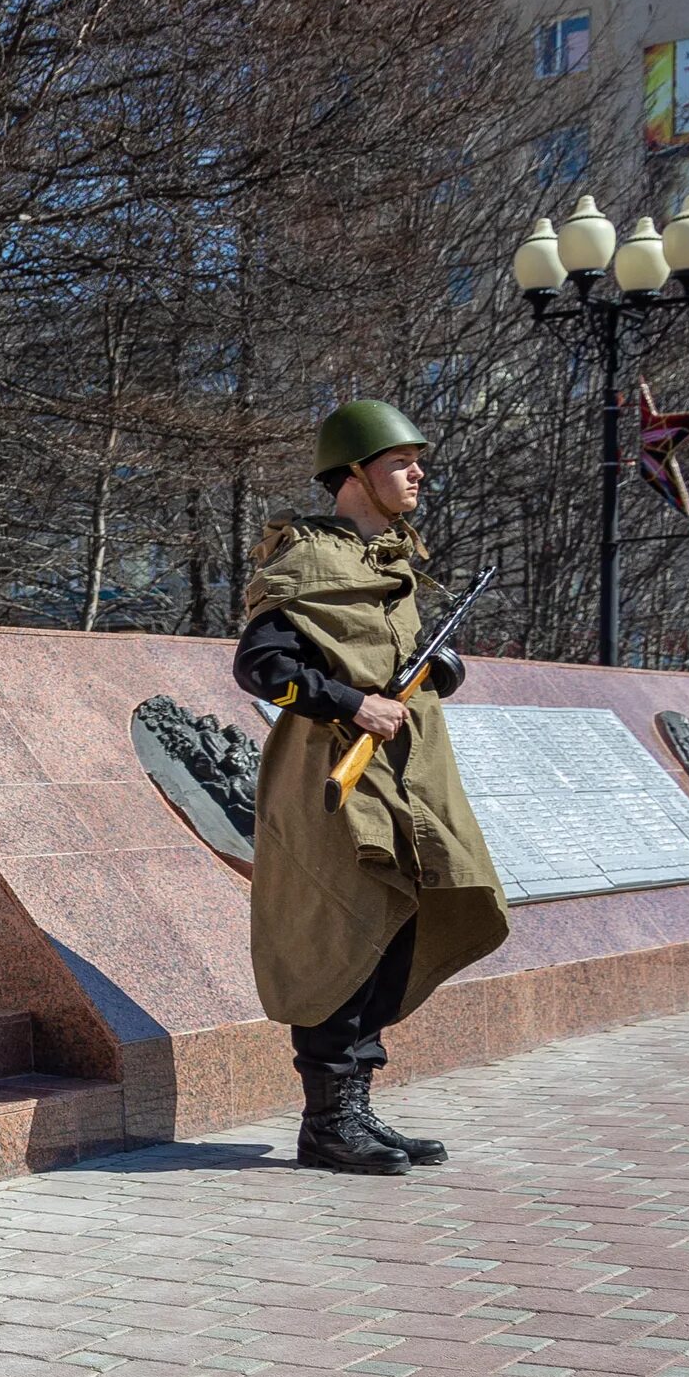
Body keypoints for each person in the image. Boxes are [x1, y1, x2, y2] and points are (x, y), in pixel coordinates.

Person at [232, 400, 509, 1177]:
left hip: (406, 780)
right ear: (354, 475)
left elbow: (403, 662)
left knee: (396, 926)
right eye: (399, 462)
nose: (417, 473)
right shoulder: (308, 566)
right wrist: (351, 703)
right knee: (341, 934)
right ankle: (328, 1123)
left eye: (417, 460)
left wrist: (438, 667)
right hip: (333, 783)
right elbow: (262, 669)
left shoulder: (391, 565)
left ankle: (352, 1107)